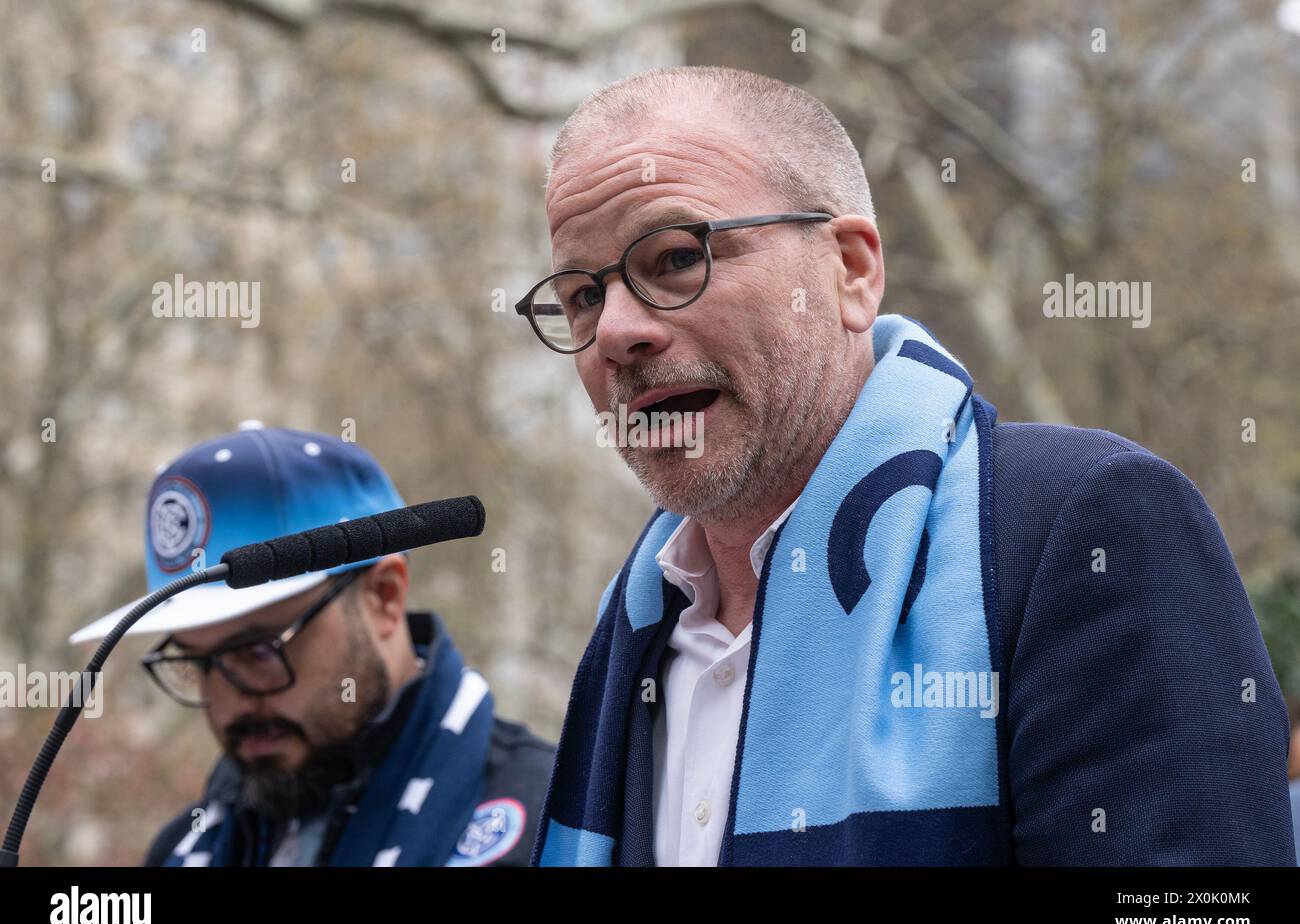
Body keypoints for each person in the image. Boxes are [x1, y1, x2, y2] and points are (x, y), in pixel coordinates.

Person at [518, 66, 1296, 865]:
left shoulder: (1079, 526)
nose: (615, 330)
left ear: (851, 270)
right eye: (580, 296)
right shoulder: (633, 624)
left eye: (676, 258)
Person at [69, 422, 553, 867]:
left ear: (384, 597)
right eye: (199, 662)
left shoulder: (553, 820)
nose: (227, 702)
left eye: (258, 649)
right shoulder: (184, 849)